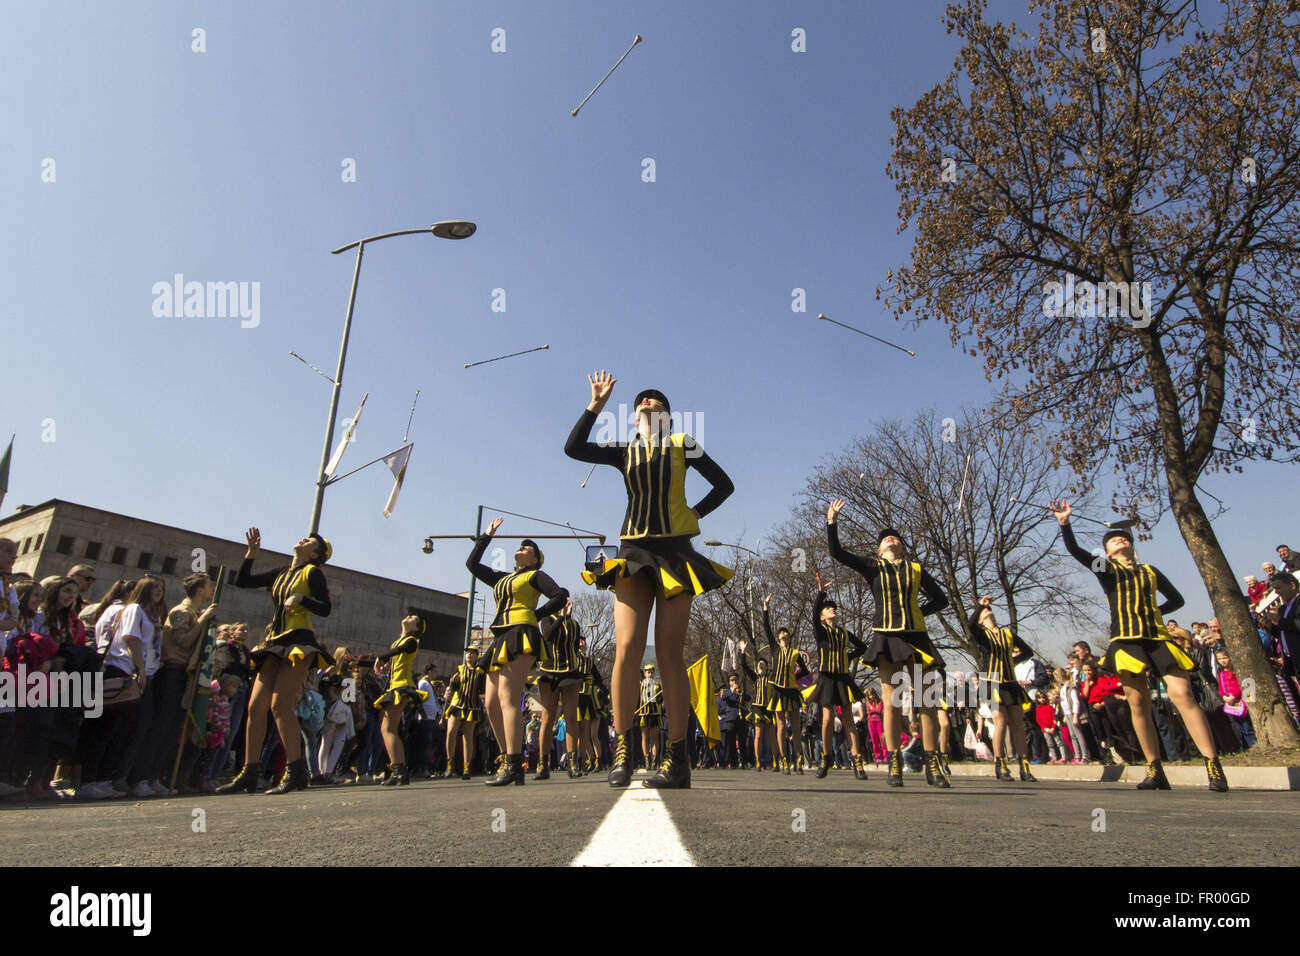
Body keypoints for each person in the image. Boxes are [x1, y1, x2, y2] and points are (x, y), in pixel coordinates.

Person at [566, 372, 734, 789]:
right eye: (642, 405)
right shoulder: (625, 450)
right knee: (627, 647)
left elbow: (724, 484)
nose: (648, 406)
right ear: (635, 419)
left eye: (657, 405)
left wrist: (695, 513)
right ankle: (623, 753)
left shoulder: (683, 445)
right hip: (634, 552)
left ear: (669, 418)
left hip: (677, 553)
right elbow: (573, 448)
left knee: (671, 656)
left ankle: (677, 761)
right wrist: (596, 405)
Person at [1051, 500, 1226, 791]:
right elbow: (1076, 552)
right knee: (1138, 702)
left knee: (1184, 695)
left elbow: (1177, 600)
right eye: (1112, 540)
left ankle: (1213, 765)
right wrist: (1065, 523)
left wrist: (1154, 611)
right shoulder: (1105, 569)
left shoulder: (1150, 571)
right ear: (1107, 552)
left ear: (1132, 546)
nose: (1119, 539)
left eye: (1123, 538)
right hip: (1126, 642)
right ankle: (1154, 768)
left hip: (1158, 639)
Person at [825, 500, 951, 787]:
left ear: (903, 548)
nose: (889, 537)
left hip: (917, 638)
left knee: (926, 701)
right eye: (884, 539)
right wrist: (832, 523)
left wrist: (918, 613)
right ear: (879, 550)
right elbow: (837, 553)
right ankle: (895, 763)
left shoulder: (916, 569)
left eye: (895, 537)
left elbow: (940, 599)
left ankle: (933, 764)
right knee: (891, 702)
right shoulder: (873, 567)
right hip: (888, 637)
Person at [217, 529, 332, 795]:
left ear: (315, 554)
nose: (303, 539)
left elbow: (325, 607)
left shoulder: (312, 573)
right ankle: (249, 771)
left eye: (310, 542)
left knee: (280, 705)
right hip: (273, 642)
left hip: (299, 641)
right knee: (256, 706)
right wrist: (251, 554)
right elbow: (244, 581)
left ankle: (296, 771)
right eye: (304, 537)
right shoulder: (282, 572)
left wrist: (302, 599)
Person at [466, 521, 568, 786]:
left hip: (521, 633)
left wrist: (537, 614)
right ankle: (506, 759)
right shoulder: (503, 578)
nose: (521, 548)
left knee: (507, 699)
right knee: (490, 704)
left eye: (528, 547)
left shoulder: (535, 576)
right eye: (521, 546)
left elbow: (559, 595)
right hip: (500, 637)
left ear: (535, 558)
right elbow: (472, 565)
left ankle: (514, 764)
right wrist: (487, 536)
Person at [966, 596, 1037, 782]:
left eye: (989, 610)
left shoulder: (1007, 634)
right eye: (984, 613)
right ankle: (1001, 763)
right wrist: (979, 606)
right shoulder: (982, 634)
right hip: (992, 681)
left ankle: (1024, 765)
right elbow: (970, 625)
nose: (988, 612)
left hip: (1010, 682)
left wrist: (1011, 662)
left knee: (1018, 723)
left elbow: (1028, 652)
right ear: (981, 620)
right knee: (1000, 720)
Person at [807, 571, 869, 780]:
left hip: (842, 677)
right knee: (826, 720)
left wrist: (848, 657)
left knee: (848, 720)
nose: (831, 609)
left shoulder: (843, 633)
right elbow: (814, 613)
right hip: (826, 678)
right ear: (823, 616)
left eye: (833, 607)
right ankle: (825, 758)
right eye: (827, 608)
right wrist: (820, 594)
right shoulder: (821, 631)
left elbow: (861, 646)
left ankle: (857, 762)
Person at [370, 615, 429, 786]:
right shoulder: (398, 641)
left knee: (388, 729)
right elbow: (396, 651)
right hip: (394, 686)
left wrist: (382, 657)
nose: (408, 616)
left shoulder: (412, 641)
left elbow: (402, 649)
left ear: (416, 628)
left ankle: (398, 770)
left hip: (402, 686)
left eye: (413, 618)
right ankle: (400, 771)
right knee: (390, 729)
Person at [762, 593, 810, 774]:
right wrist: (766, 608)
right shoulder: (775, 649)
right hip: (778, 691)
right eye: (781, 632)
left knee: (796, 727)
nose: (784, 634)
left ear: (789, 637)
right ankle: (784, 760)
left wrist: (793, 679)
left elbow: (804, 672)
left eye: (786, 632)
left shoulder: (795, 653)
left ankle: (798, 759)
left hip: (792, 691)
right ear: (778, 637)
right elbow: (766, 629)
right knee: (781, 726)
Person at [535, 599, 584, 779]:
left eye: (568, 602)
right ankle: (543, 764)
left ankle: (573, 763)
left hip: (570, 672)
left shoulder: (574, 624)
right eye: (563, 601)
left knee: (571, 716)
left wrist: (567, 617)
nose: (566, 604)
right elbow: (548, 635)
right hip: (549, 672)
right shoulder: (546, 619)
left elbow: (574, 645)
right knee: (548, 718)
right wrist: (561, 618)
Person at [736, 641, 778, 771]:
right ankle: (758, 761)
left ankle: (775, 760)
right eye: (759, 664)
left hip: (769, 708)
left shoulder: (771, 677)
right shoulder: (756, 677)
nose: (760, 665)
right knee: (758, 735)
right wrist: (743, 651)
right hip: (758, 708)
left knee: (772, 736)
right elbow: (744, 665)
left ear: (766, 666)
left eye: (762, 663)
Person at [635, 664, 664, 770]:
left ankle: (655, 761)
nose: (650, 674)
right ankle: (646, 759)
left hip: (655, 714)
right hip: (643, 714)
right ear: (645, 673)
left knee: (655, 738)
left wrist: (661, 695)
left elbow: (660, 700)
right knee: (645, 738)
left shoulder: (657, 685)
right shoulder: (640, 685)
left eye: (652, 672)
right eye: (648, 672)